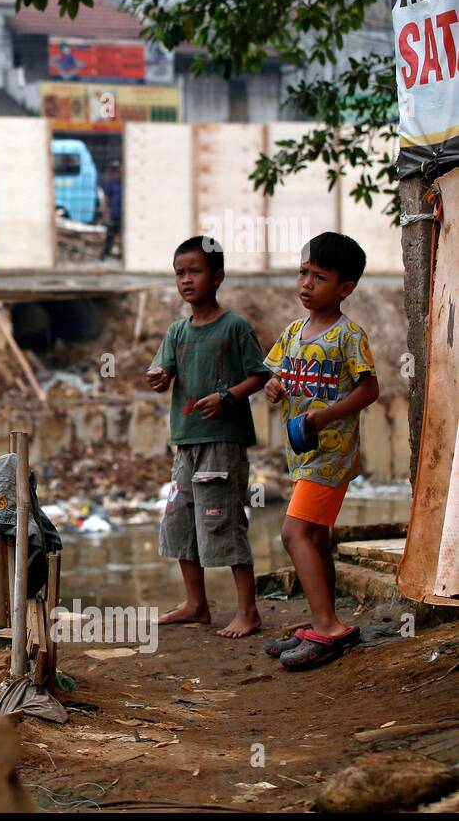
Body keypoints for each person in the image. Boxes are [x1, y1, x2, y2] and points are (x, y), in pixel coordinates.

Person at [261, 232, 379, 670]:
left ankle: (327, 627)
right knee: (315, 537)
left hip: (332, 453)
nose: (306, 283)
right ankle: (325, 621)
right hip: (302, 454)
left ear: (345, 288)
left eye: (320, 277)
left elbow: (370, 389)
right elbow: (279, 376)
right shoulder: (293, 332)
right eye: (303, 273)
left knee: (293, 534)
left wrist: (326, 416)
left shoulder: (349, 335)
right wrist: (276, 387)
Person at [145, 236, 271, 638]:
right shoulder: (177, 332)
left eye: (194, 272)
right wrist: (159, 377)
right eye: (179, 273)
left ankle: (248, 611)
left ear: (217, 277)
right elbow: (163, 376)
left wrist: (226, 397)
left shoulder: (234, 326)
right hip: (186, 443)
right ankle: (196, 604)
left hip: (223, 442)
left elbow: (259, 374)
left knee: (224, 521)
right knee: (180, 522)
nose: (186, 280)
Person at [100, 161, 122, 259]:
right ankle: (104, 254)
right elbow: (106, 198)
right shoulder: (113, 184)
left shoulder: (126, 185)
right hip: (114, 215)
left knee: (123, 238)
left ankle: (121, 255)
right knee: (110, 236)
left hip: (123, 217)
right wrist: (105, 212)